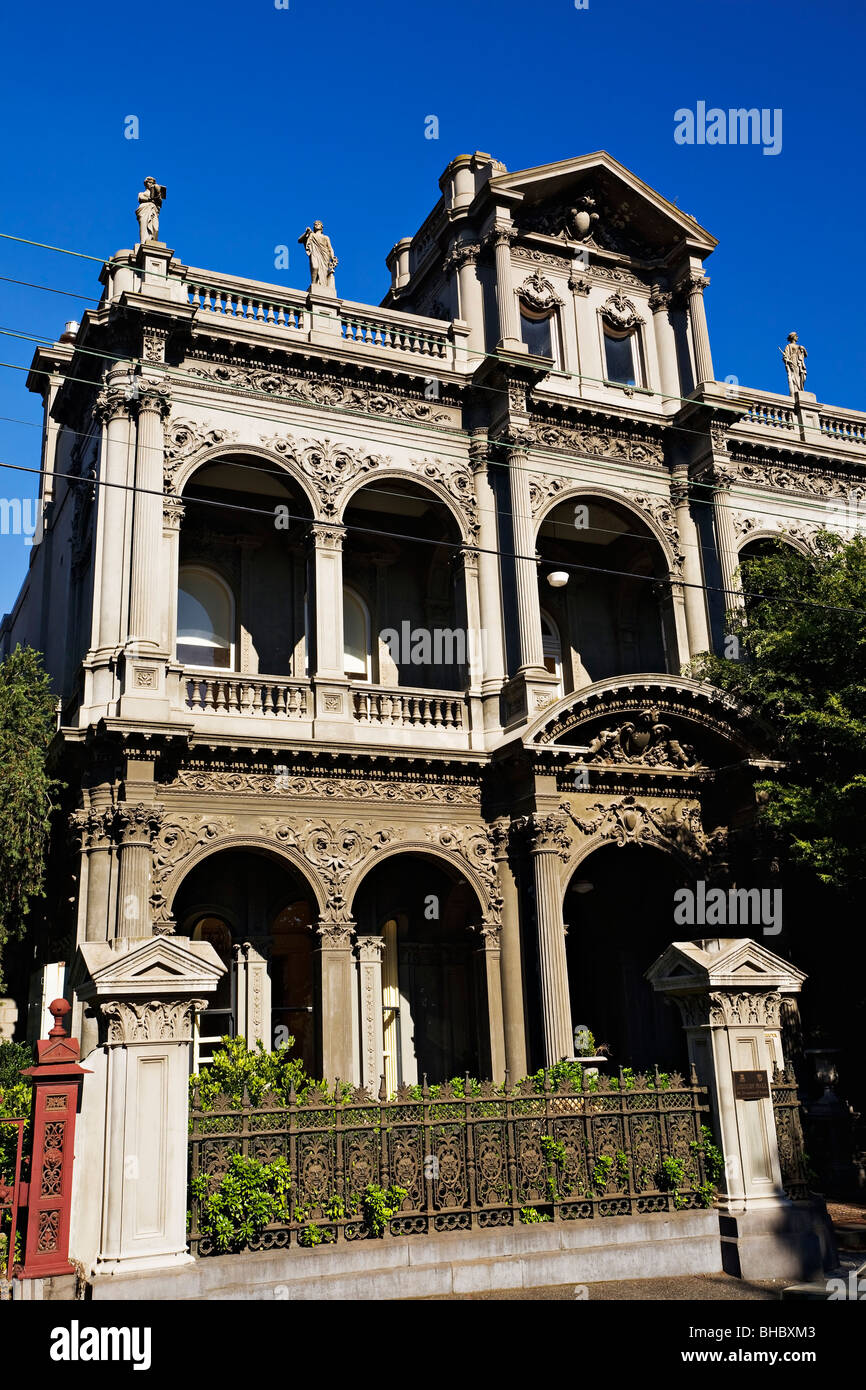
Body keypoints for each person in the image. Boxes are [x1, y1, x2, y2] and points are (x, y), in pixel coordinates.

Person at [298, 221, 338, 290]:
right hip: (315, 254)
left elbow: (330, 248)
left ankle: (320, 287)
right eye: (315, 224)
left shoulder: (326, 237)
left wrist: (332, 257)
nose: (316, 225)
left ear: (322, 227)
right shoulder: (311, 235)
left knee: (323, 274)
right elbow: (299, 240)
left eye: (318, 224)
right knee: (315, 267)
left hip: (325, 256)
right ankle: (314, 284)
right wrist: (306, 233)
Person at [136, 177, 165, 243]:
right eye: (149, 182)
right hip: (144, 209)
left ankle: (153, 240)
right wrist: (151, 199)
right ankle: (144, 242)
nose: (150, 184)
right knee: (144, 226)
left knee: (155, 228)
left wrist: (158, 193)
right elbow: (141, 198)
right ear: (146, 184)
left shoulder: (156, 194)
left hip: (153, 209)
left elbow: (160, 203)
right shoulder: (141, 193)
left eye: (152, 183)